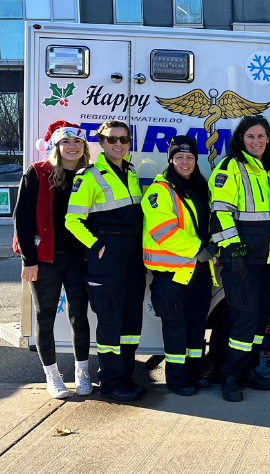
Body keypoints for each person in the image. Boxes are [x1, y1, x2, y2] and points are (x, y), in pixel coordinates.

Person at [65, 120, 146, 402]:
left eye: (124, 139)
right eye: (112, 140)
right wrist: (97, 245)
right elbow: (72, 220)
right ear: (101, 142)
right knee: (111, 319)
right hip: (107, 255)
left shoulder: (131, 172)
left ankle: (126, 377)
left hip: (133, 255)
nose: (118, 144)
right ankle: (111, 382)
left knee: (130, 319)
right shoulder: (88, 176)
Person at [13, 121, 92, 399]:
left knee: (79, 315)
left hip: (79, 258)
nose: (72, 147)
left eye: (77, 142)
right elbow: (21, 218)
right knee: (44, 317)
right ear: (57, 146)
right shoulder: (37, 173)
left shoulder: (89, 175)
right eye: (66, 142)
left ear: (84, 147)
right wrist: (28, 259)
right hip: (44, 259)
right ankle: (52, 376)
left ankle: (82, 372)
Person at [209, 115, 270, 402]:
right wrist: (236, 253)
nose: (256, 141)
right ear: (241, 139)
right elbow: (220, 213)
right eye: (250, 136)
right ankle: (230, 375)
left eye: (261, 136)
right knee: (244, 318)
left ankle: (250, 368)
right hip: (241, 261)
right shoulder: (230, 167)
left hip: (268, 259)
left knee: (260, 318)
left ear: (268, 139)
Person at [143, 136, 216, 396]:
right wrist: (199, 250)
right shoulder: (159, 191)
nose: (185, 162)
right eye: (179, 158)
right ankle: (177, 379)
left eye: (190, 158)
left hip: (198, 272)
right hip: (171, 275)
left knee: (196, 326)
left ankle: (194, 374)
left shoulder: (199, 187)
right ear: (170, 160)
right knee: (176, 330)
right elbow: (163, 231)